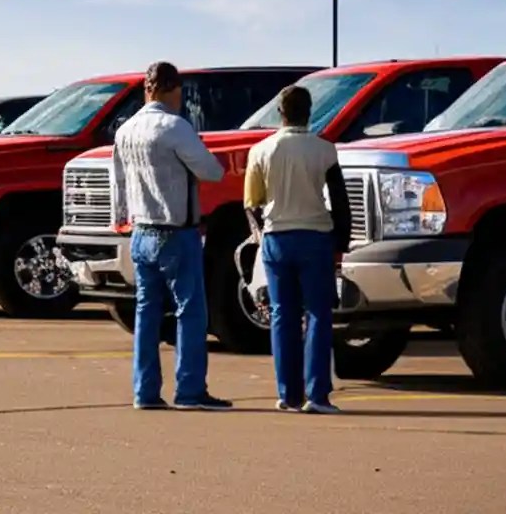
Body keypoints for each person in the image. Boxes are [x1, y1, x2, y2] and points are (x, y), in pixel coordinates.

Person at [112, 61, 230, 411]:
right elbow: (211, 172)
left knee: (146, 313)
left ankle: (145, 391)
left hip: (141, 231)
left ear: (146, 89)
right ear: (173, 90)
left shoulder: (125, 130)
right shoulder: (175, 127)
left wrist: (122, 219)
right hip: (176, 231)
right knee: (190, 310)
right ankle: (190, 390)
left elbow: (118, 182)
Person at [244, 85, 352, 415]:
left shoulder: (260, 151)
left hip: (276, 238)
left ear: (281, 113)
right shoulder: (325, 151)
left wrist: (260, 236)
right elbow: (341, 201)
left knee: (282, 315)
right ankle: (317, 394)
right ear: (310, 112)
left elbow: (251, 202)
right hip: (315, 237)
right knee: (318, 314)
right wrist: (341, 243)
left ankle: (287, 393)